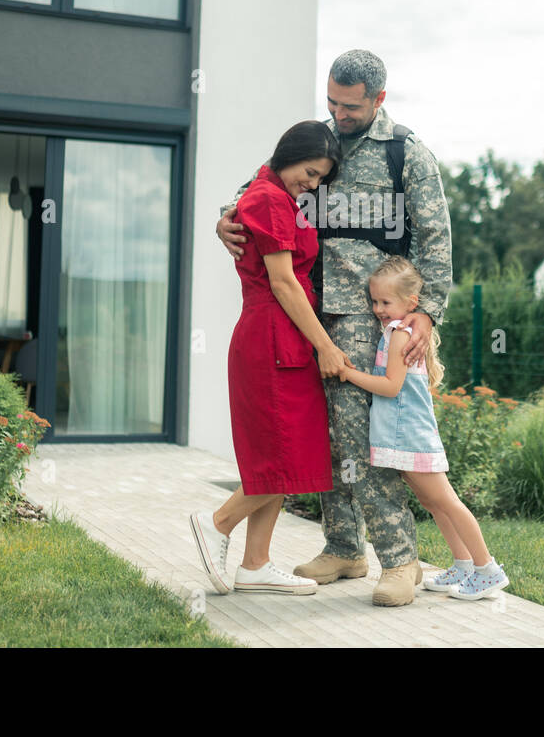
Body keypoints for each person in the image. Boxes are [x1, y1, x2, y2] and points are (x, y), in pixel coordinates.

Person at [216, 49, 453, 606]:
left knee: (364, 436)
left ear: (379, 99)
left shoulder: (406, 152)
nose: (338, 114)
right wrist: (224, 219)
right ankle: (344, 547)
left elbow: (435, 235)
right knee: (320, 437)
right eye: (331, 102)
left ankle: (399, 561)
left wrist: (426, 311)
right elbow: (256, 192)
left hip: (366, 317)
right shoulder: (315, 142)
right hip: (303, 313)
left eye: (349, 106)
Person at [190, 121, 347, 595]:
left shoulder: (272, 193)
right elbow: (283, 283)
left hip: (281, 337)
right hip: (273, 335)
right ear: (290, 154)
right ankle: (215, 523)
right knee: (281, 457)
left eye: (321, 178)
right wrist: (326, 345)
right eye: (311, 172)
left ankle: (255, 564)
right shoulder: (270, 199)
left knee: (284, 455)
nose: (313, 184)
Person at [337, 255, 510, 601]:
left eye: (385, 302)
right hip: (404, 435)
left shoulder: (401, 336)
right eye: (374, 301)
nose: (378, 308)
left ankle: (487, 569)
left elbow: (390, 387)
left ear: (411, 303)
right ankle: (463, 565)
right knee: (434, 503)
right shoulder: (395, 332)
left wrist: (348, 373)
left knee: (447, 501)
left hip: (411, 436)